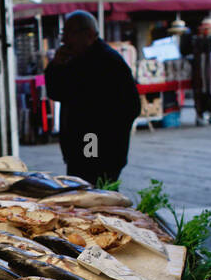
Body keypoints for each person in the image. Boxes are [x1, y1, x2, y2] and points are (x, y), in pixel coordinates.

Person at [44, 11, 140, 184]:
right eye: (63, 34)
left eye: (68, 34)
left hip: (95, 144)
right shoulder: (78, 59)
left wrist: (96, 144)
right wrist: (56, 66)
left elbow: (129, 107)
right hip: (85, 144)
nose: (64, 41)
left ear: (88, 34)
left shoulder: (107, 62)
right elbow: (56, 92)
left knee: (93, 190)